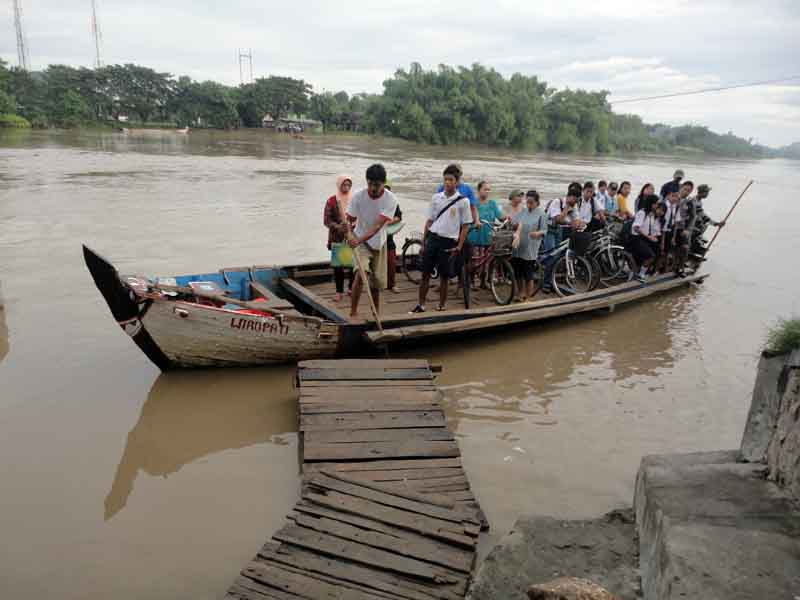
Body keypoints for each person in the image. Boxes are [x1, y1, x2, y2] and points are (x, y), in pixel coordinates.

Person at [411, 164, 473, 313]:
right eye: (445, 179)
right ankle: (421, 304)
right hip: (433, 238)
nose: (447, 182)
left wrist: (459, 246)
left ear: (457, 182)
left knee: (444, 276)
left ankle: (441, 306)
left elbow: (466, 226)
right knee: (425, 273)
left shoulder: (463, 201)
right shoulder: (436, 198)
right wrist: (424, 243)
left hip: (449, 242)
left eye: (451, 180)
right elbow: (429, 221)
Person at [346, 164, 398, 319]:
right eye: (370, 184)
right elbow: (349, 220)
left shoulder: (390, 199)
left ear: (383, 183)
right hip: (360, 240)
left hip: (378, 242)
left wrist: (357, 240)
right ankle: (353, 312)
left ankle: (376, 313)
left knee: (376, 283)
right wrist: (349, 234)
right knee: (361, 274)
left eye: (377, 185)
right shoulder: (358, 196)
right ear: (366, 181)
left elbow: (377, 226)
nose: (373, 188)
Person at [511, 190, 547, 301]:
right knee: (518, 272)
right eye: (527, 202)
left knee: (528, 273)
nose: (529, 205)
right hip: (519, 244)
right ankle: (520, 293)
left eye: (531, 202)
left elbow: (544, 230)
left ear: (537, 202)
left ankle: (528, 297)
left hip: (531, 246)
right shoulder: (523, 211)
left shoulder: (542, 214)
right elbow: (514, 222)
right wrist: (513, 224)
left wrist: (537, 233)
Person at [468, 181, 505, 288]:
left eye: (488, 189)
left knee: (487, 261)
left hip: (488, 236)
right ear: (479, 190)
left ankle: (484, 282)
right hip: (475, 236)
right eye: (485, 189)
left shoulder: (492, 203)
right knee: (474, 260)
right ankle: (471, 281)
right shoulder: (473, 203)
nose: (487, 191)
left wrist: (507, 218)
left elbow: (499, 216)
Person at [323, 175, 354, 302]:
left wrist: (352, 225)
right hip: (337, 237)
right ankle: (339, 291)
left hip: (352, 235)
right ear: (339, 185)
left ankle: (351, 288)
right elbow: (327, 220)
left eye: (348, 185)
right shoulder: (332, 201)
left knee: (353, 264)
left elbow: (359, 216)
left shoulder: (354, 199)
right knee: (338, 266)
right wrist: (338, 227)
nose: (346, 187)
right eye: (344, 185)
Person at [630, 194, 662, 281]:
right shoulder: (642, 213)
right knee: (650, 256)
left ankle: (644, 272)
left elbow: (650, 228)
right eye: (656, 204)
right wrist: (648, 237)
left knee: (658, 251)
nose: (657, 206)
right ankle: (641, 274)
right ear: (651, 204)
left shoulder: (651, 214)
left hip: (645, 238)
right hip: (637, 238)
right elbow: (636, 228)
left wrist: (653, 236)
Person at [659, 190, 682, 272]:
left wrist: (673, 237)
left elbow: (676, 223)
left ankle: (664, 269)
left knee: (667, 250)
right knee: (660, 250)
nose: (675, 198)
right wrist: (662, 240)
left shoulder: (676, 207)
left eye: (677, 197)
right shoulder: (663, 206)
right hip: (661, 230)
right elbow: (661, 223)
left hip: (670, 231)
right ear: (668, 196)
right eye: (673, 196)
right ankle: (655, 269)